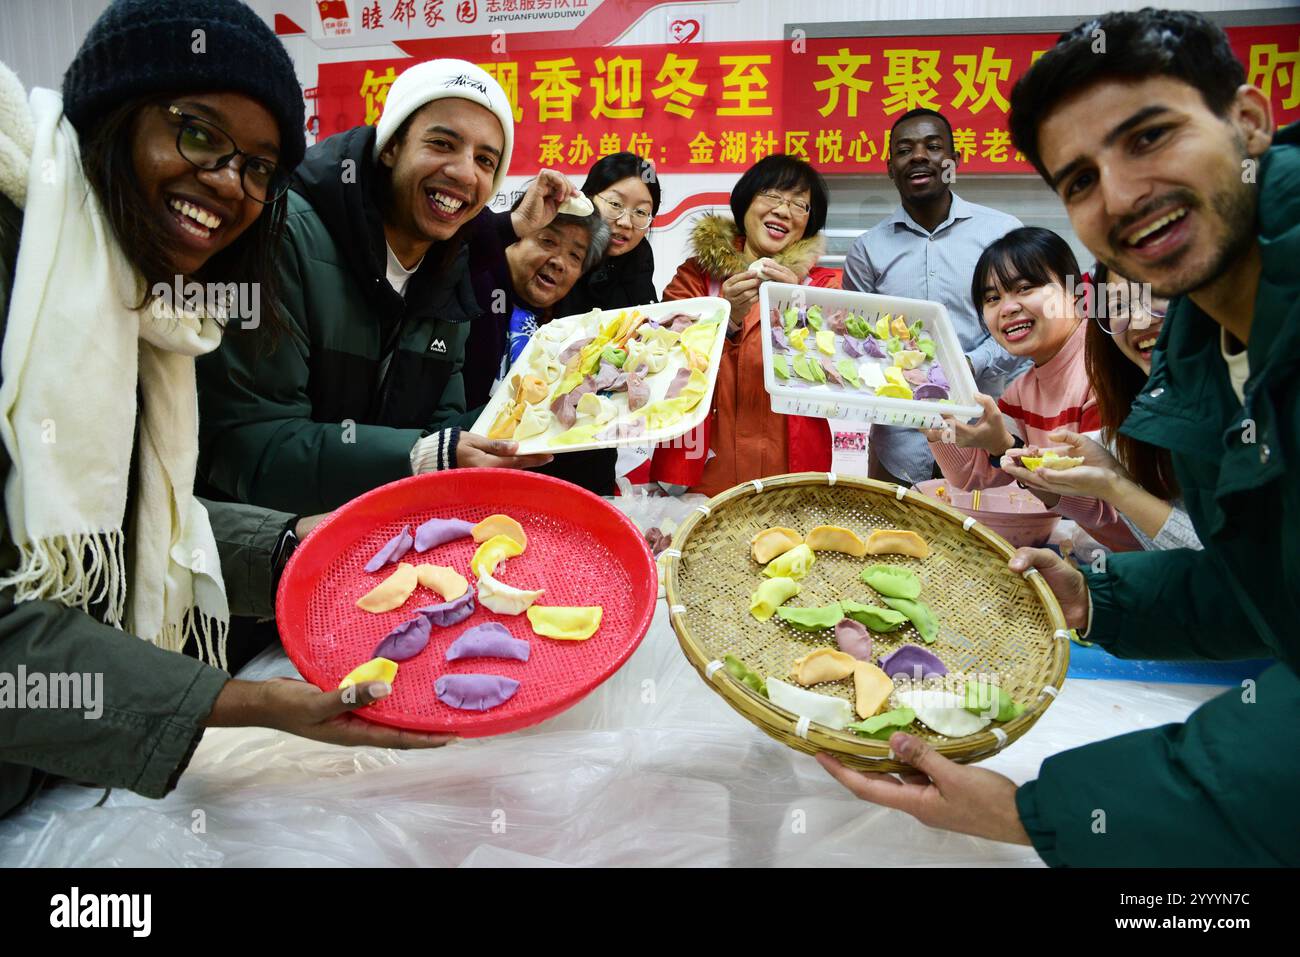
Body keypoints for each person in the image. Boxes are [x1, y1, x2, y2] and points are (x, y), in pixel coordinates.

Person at [819, 8, 1300, 866]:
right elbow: (1262, 588)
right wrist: (1091, 599)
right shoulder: (1197, 360)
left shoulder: (1154, 361)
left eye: (1149, 136)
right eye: (1079, 179)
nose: (1119, 195)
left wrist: (1033, 812)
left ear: (1250, 124)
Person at [0, 0, 451, 822]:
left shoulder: (152, 303)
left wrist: (294, 544)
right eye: (198, 133)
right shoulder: (28, 279)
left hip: (54, 776)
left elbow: (139, 514)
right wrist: (239, 701)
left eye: (258, 167)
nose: (226, 184)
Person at [197, 59, 560, 517]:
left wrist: (536, 416)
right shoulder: (282, 237)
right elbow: (249, 448)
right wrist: (420, 456)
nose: (465, 173)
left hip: (377, 547)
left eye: (485, 160)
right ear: (390, 148)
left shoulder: (450, 271)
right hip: (257, 556)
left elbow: (441, 429)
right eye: (442, 143)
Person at [843, 108, 1028, 486]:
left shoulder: (1002, 233)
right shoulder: (867, 250)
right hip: (900, 450)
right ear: (890, 167)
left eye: (932, 146)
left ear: (953, 162)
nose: (919, 157)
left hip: (993, 443)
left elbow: (1026, 327)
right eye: (904, 149)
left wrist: (969, 364)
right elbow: (858, 343)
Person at [925, 227, 1140, 552]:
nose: (1007, 308)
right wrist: (930, 417)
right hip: (1115, 555)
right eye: (992, 298)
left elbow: (1103, 502)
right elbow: (971, 478)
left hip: (1163, 557)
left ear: (1078, 293)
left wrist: (1006, 448)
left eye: (1024, 288)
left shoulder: (1106, 369)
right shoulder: (1022, 391)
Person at [653, 155, 838, 495]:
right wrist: (727, 319)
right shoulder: (696, 277)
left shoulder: (823, 286)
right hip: (703, 470)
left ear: (809, 224)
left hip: (791, 472)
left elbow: (841, 375)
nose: (783, 211)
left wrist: (795, 311)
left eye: (800, 205)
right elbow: (661, 359)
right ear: (746, 202)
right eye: (771, 195)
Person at [1005, 261, 1202, 551]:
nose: (1139, 321)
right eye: (1118, 306)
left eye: (1026, 289)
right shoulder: (1019, 389)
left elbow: (1230, 565)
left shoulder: (1238, 411)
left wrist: (1115, 485)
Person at [459, 185, 614, 493]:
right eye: (547, 241)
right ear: (514, 238)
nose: (559, 262)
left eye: (575, 256)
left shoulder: (573, 331)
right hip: (455, 474)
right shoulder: (470, 283)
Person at [553, 152, 661, 317]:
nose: (625, 222)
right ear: (588, 197)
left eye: (640, 212)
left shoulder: (640, 255)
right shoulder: (556, 245)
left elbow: (647, 321)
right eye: (615, 204)